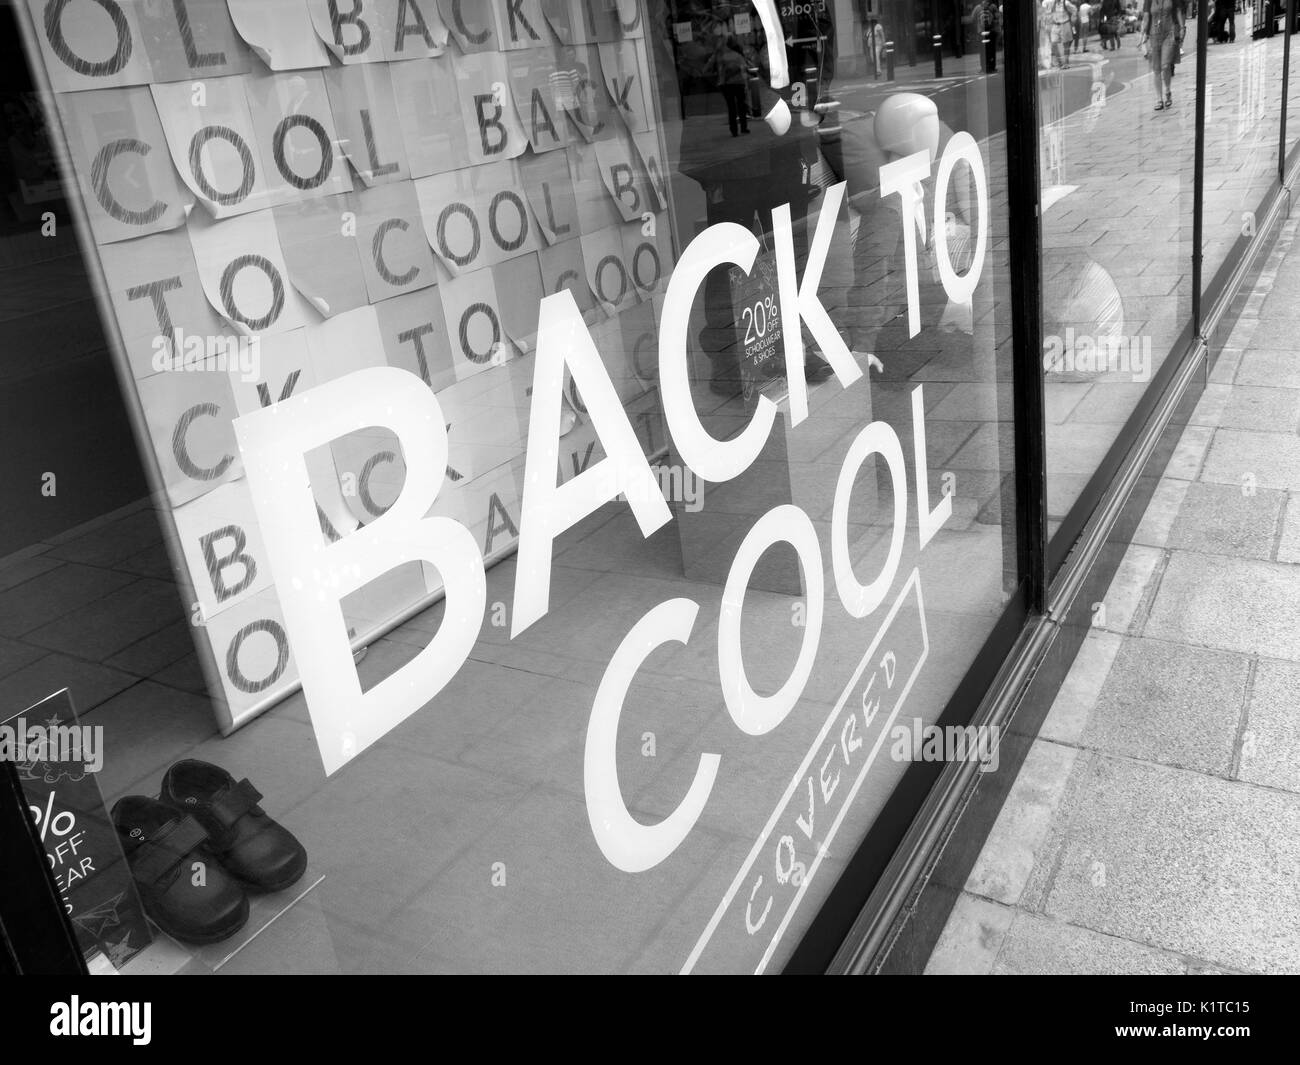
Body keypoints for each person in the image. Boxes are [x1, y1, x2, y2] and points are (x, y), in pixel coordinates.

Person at [1139, 0, 1186, 111]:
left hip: (1169, 33)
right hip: (1153, 35)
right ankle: (1159, 99)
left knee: (1165, 65)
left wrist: (1182, 27)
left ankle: (1168, 91)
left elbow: (1178, 11)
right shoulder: (1149, 1)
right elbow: (1146, 17)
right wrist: (1143, 35)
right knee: (1156, 70)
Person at [713, 35, 751, 137]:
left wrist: (721, 82)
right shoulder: (739, 56)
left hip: (727, 85)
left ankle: (734, 130)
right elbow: (744, 70)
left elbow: (720, 71)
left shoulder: (723, 56)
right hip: (739, 84)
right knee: (741, 106)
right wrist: (746, 84)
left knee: (731, 108)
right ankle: (743, 128)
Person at [1046, 0, 1077, 67]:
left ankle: (1066, 63)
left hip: (1065, 23)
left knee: (1066, 44)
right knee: (1053, 43)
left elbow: (1074, 9)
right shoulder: (1052, 3)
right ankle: (1060, 62)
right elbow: (1049, 13)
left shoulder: (1066, 3)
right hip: (1055, 25)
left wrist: (1073, 18)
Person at [973, 0, 1001, 71]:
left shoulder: (977, 8)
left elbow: (973, 18)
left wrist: (978, 25)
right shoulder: (993, 6)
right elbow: (997, 17)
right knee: (992, 50)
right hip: (991, 31)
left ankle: (983, 67)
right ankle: (992, 67)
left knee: (982, 51)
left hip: (981, 32)